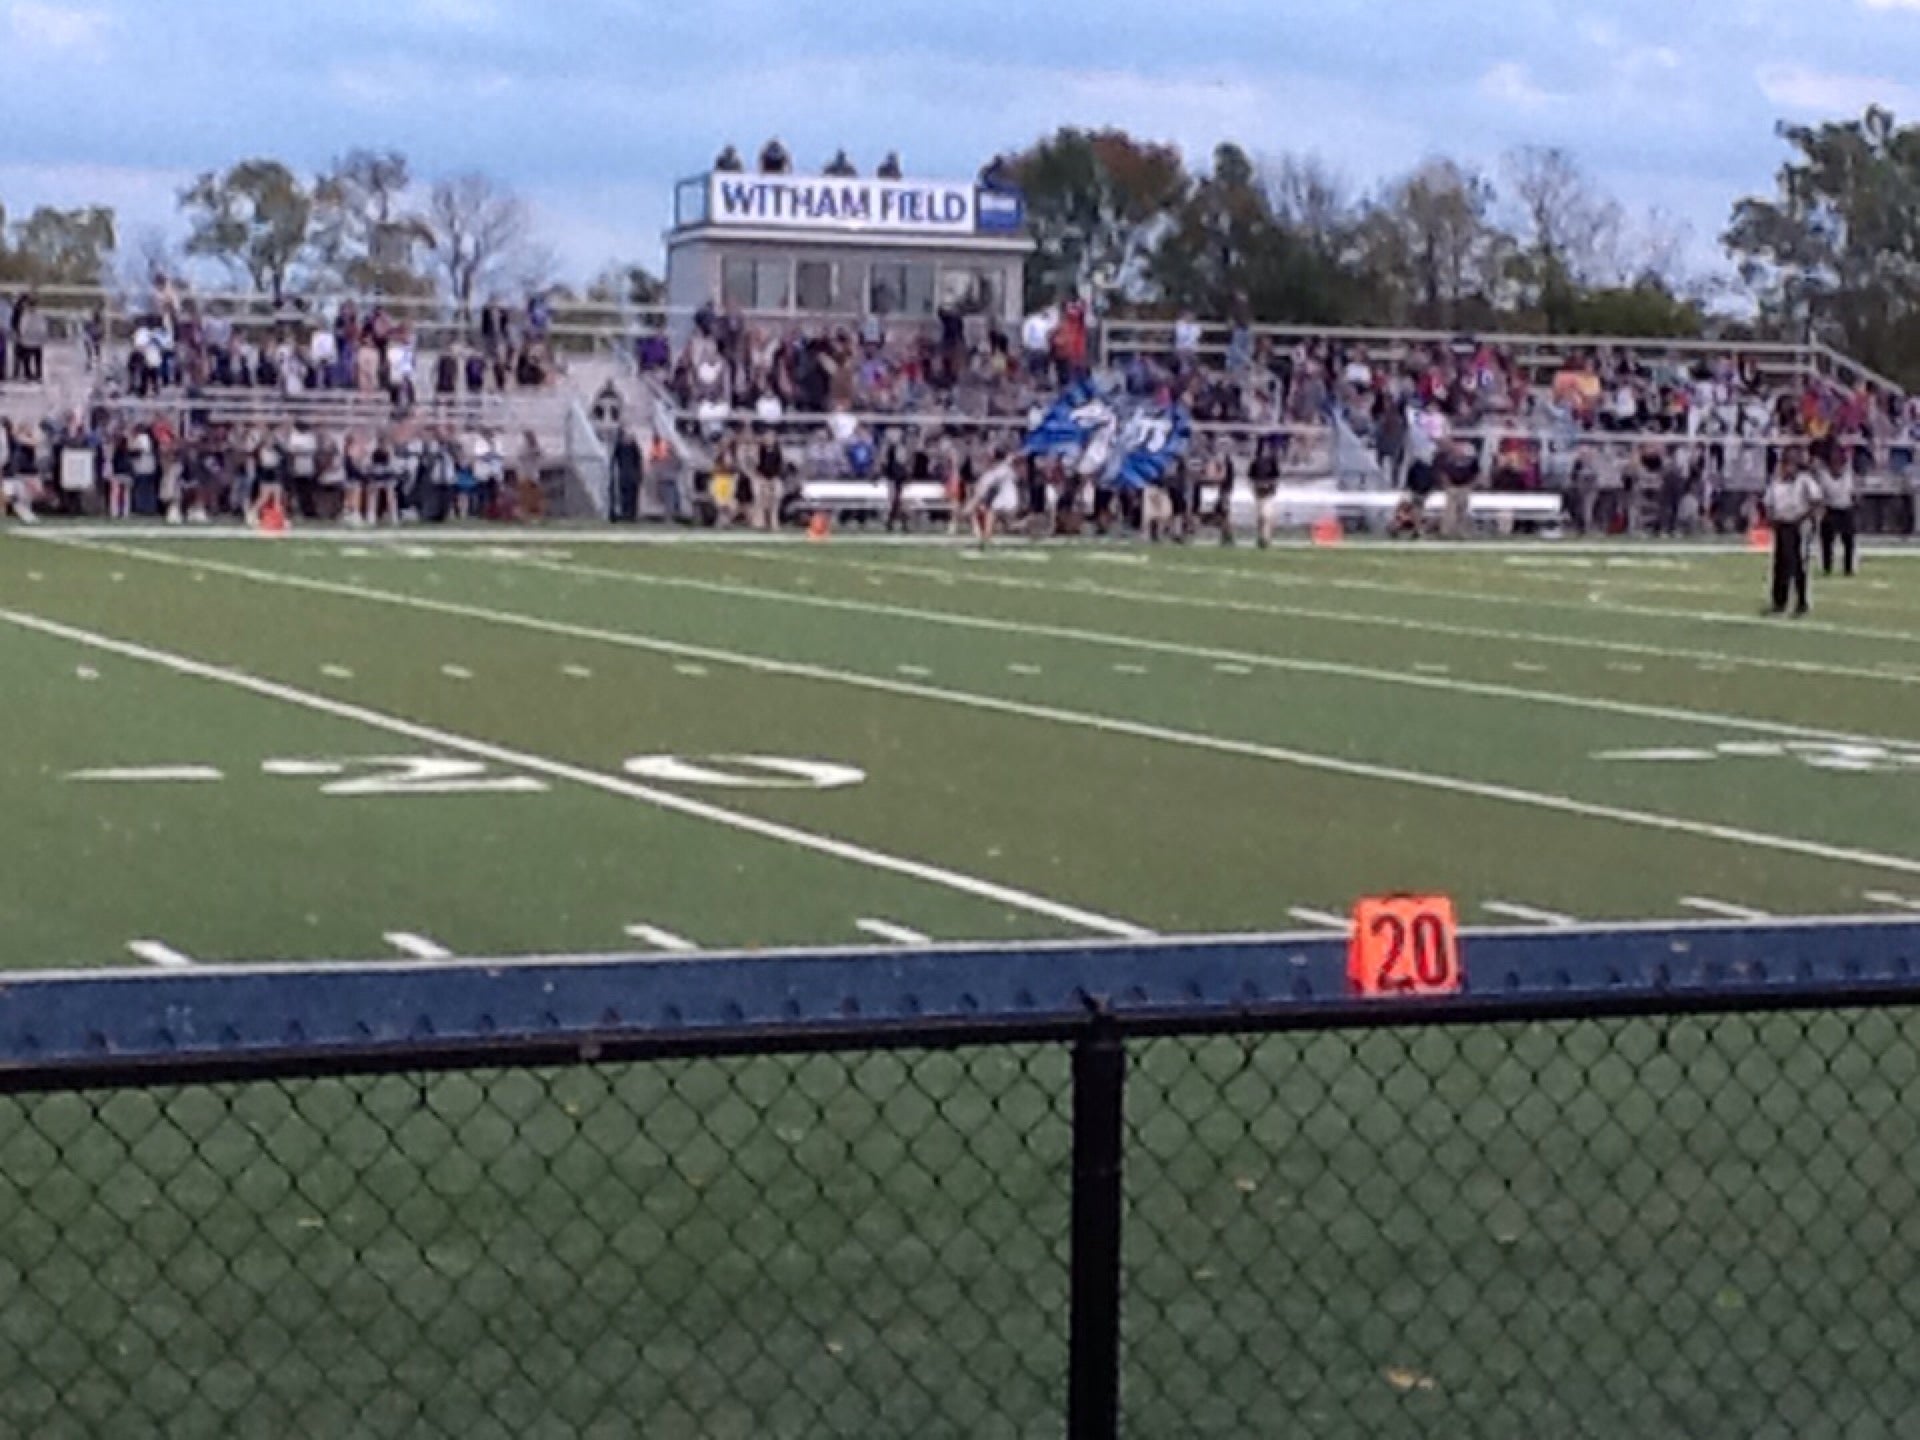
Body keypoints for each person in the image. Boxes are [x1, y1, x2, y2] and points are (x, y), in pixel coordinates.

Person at [1763, 448, 1823, 616]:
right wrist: (1772, 519)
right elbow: (1769, 503)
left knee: (1797, 564)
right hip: (1781, 525)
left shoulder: (1804, 481)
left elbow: (1816, 500)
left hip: (1798, 525)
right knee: (1780, 564)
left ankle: (1801, 601)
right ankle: (1779, 601)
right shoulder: (1776, 483)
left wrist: (1806, 518)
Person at [1818, 443, 1858, 577]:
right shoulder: (1823, 474)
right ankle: (1827, 567)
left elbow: (1851, 491)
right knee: (1827, 541)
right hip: (1830, 509)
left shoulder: (1848, 473)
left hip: (1846, 509)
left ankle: (1848, 568)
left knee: (1848, 541)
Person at [971, 447, 1020, 548]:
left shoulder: (1000, 470)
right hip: (1007, 498)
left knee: (991, 512)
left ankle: (987, 537)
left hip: (1007, 499)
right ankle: (1029, 524)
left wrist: (973, 503)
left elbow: (984, 487)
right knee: (1009, 525)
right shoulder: (1004, 466)